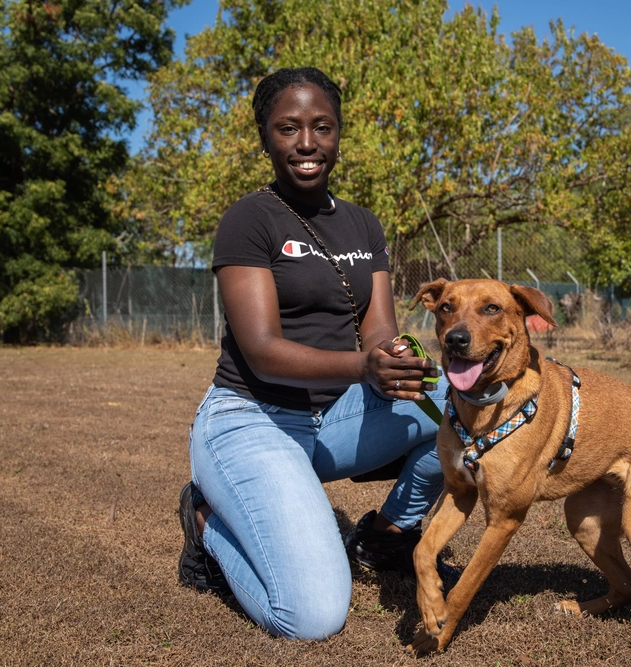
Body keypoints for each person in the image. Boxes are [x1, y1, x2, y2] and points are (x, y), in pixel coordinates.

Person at [177, 67, 451, 641]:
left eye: (321, 127)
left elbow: (377, 332)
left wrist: (396, 358)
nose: (307, 143)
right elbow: (262, 351)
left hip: (333, 420)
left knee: (459, 397)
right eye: (288, 128)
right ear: (266, 138)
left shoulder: (363, 224)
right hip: (254, 419)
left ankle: (389, 536)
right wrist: (363, 366)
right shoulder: (249, 220)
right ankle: (206, 523)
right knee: (312, 616)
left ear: (338, 133)